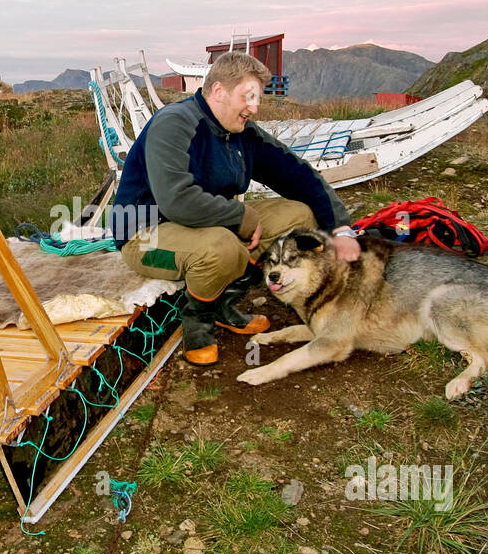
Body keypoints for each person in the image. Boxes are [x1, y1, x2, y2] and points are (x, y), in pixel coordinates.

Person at [109, 51, 361, 364]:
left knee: (299, 216)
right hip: (143, 234)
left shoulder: (240, 132)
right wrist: (240, 216)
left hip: (200, 224)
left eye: (257, 98)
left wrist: (340, 228)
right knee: (221, 247)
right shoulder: (174, 125)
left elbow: (299, 175)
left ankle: (224, 306)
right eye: (248, 97)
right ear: (219, 92)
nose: (254, 108)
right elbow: (177, 200)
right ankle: (197, 325)